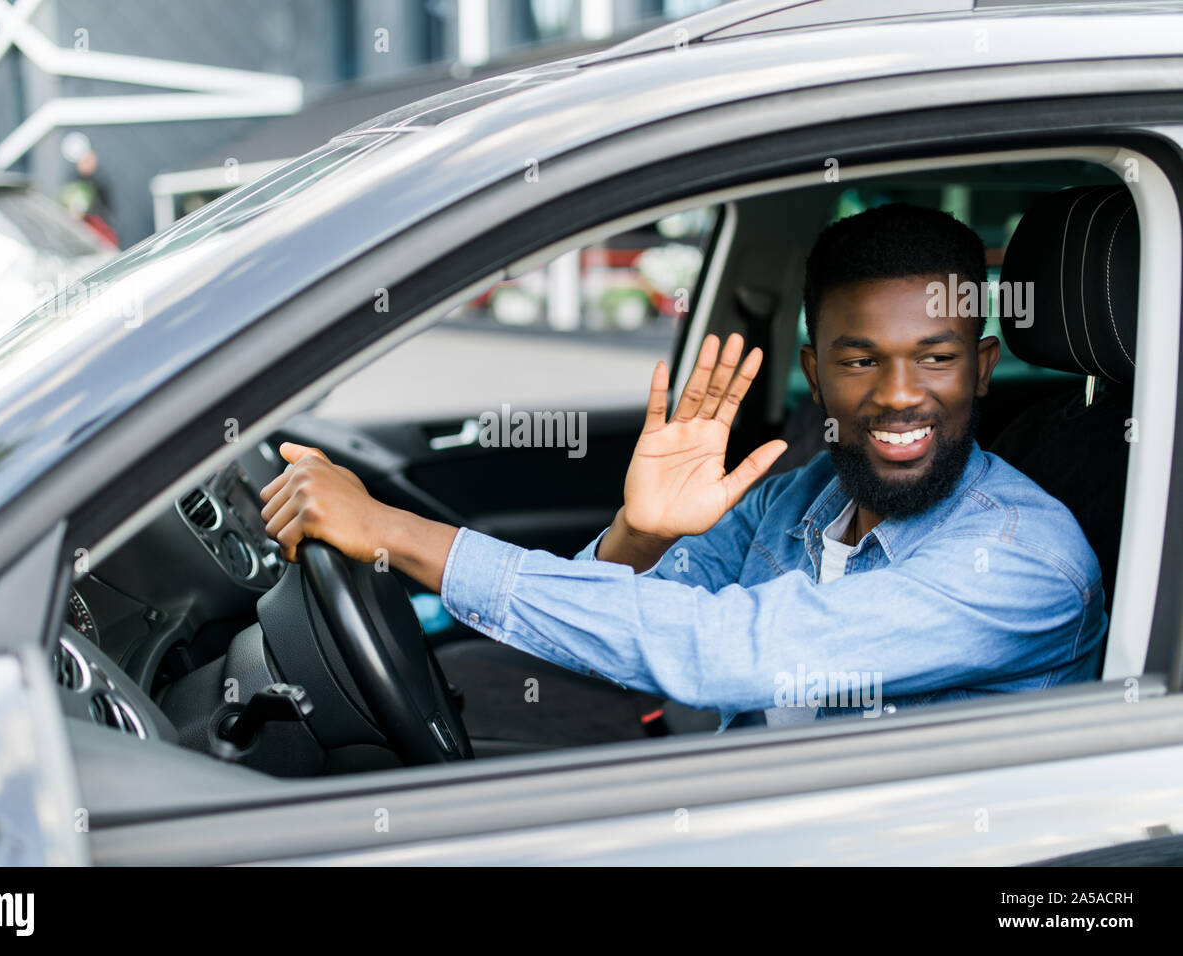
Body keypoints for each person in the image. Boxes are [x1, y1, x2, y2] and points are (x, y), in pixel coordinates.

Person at [259, 203, 1107, 731]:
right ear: (813, 375)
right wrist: (638, 532)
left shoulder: (1025, 560)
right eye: (859, 361)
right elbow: (621, 636)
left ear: (984, 368)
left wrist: (394, 533)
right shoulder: (797, 496)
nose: (898, 396)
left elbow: (718, 652)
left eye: (934, 359)